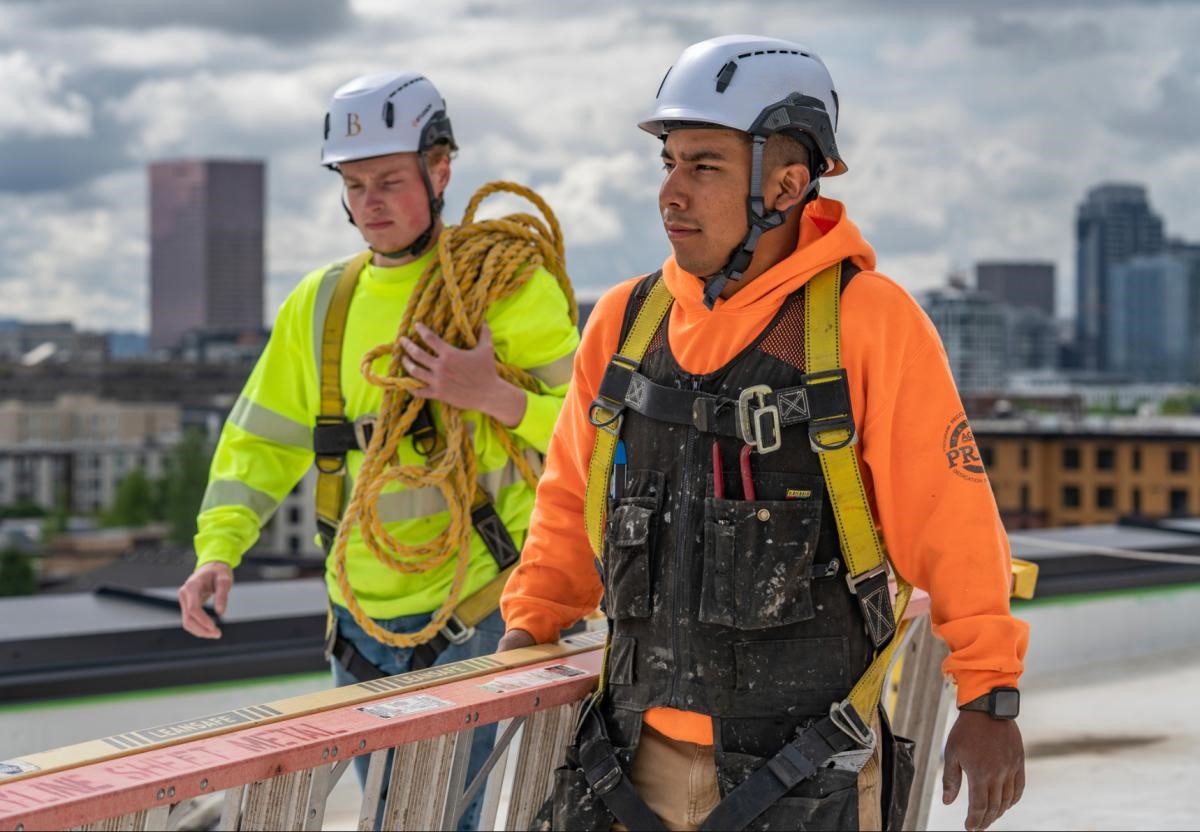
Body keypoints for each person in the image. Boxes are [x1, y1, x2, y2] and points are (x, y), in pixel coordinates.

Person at [498, 35, 1028, 832]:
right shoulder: (624, 325)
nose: (670, 192)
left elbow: (950, 522)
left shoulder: (865, 324)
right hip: (625, 765)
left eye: (703, 166)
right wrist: (526, 627)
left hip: (804, 775)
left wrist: (990, 698)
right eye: (668, 162)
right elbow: (570, 497)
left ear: (786, 184)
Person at [176, 70, 580, 830]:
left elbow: (598, 435)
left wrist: (492, 395)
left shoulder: (506, 288)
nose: (370, 202)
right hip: (359, 624)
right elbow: (259, 438)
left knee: (430, 821)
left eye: (390, 181)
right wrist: (218, 550)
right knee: (395, 819)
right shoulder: (324, 305)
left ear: (440, 170)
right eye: (355, 183)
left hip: (478, 608)